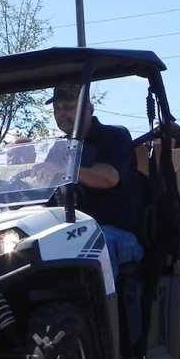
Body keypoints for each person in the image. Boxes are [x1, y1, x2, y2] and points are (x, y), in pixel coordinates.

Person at [48, 84, 144, 284]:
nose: (60, 114)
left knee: (96, 244)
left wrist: (63, 171)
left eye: (68, 107)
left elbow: (109, 177)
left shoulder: (114, 138)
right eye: (57, 109)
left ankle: (102, 313)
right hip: (69, 231)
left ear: (88, 109)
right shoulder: (57, 148)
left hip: (115, 232)